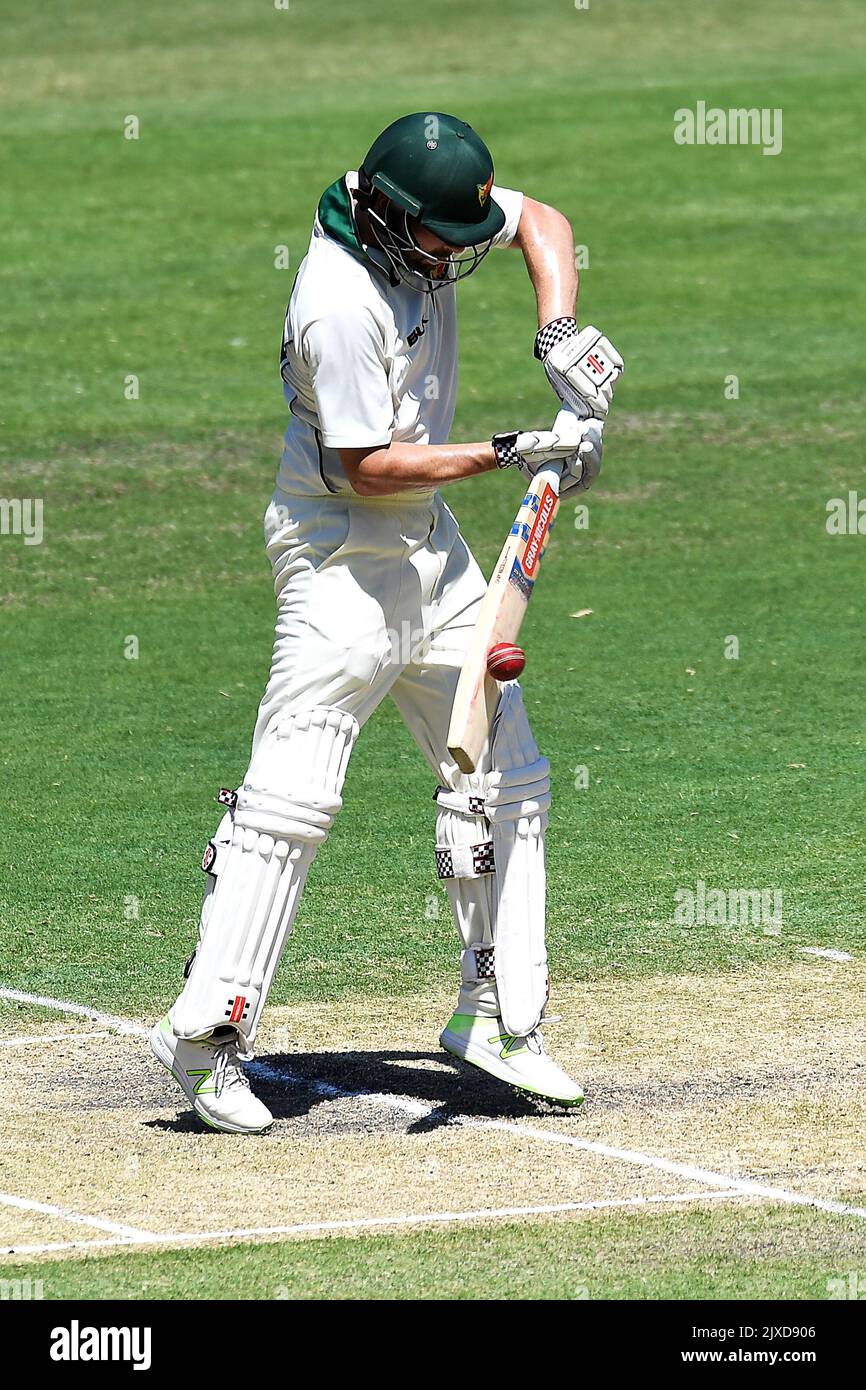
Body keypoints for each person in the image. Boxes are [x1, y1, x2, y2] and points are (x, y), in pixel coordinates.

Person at [150, 111, 623, 1133]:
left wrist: (557, 334)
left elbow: (540, 218)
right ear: (390, 220)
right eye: (443, 243)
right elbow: (366, 468)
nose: (459, 257)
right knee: (291, 799)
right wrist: (515, 449)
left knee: (503, 769)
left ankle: (495, 1012)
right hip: (335, 548)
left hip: (429, 545)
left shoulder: (415, 212)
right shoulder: (334, 300)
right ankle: (206, 1040)